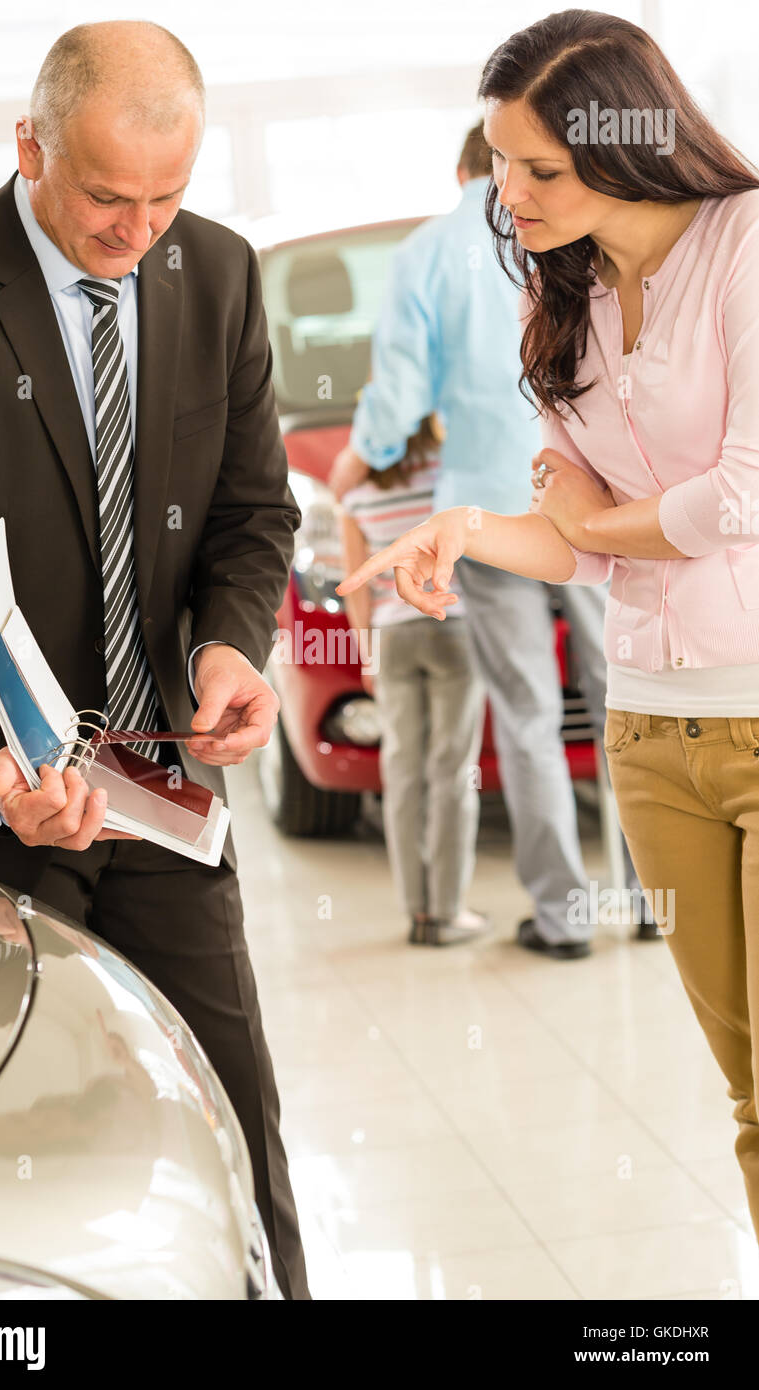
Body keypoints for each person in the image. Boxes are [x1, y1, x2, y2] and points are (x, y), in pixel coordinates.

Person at [0, 20, 310, 1298]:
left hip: (163, 791)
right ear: (30, 145)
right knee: (35, 1170)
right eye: (106, 199)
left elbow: (251, 514)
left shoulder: (222, 275)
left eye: (168, 198)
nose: (140, 235)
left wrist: (234, 645)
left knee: (239, 1130)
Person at [338, 9, 759, 1239]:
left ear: (629, 147)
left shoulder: (746, 250)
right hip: (652, 738)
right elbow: (573, 529)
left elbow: (740, 495)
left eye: (539, 169)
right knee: (745, 1094)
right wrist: (462, 529)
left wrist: (612, 515)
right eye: (500, 159)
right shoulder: (560, 290)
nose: (503, 193)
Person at [331, 120, 654, 961]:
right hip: (587, 499)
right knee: (620, 700)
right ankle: (651, 901)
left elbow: (398, 395)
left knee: (528, 716)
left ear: (460, 170)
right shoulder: (574, 234)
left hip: (487, 516)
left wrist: (355, 466)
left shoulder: (427, 251)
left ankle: (565, 920)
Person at [340, 414, 489, 947]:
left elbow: (355, 589)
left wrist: (367, 656)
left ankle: (418, 913)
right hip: (454, 626)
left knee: (401, 769)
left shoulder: (356, 498)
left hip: (393, 638)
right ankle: (449, 911)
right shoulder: (448, 482)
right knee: (452, 769)